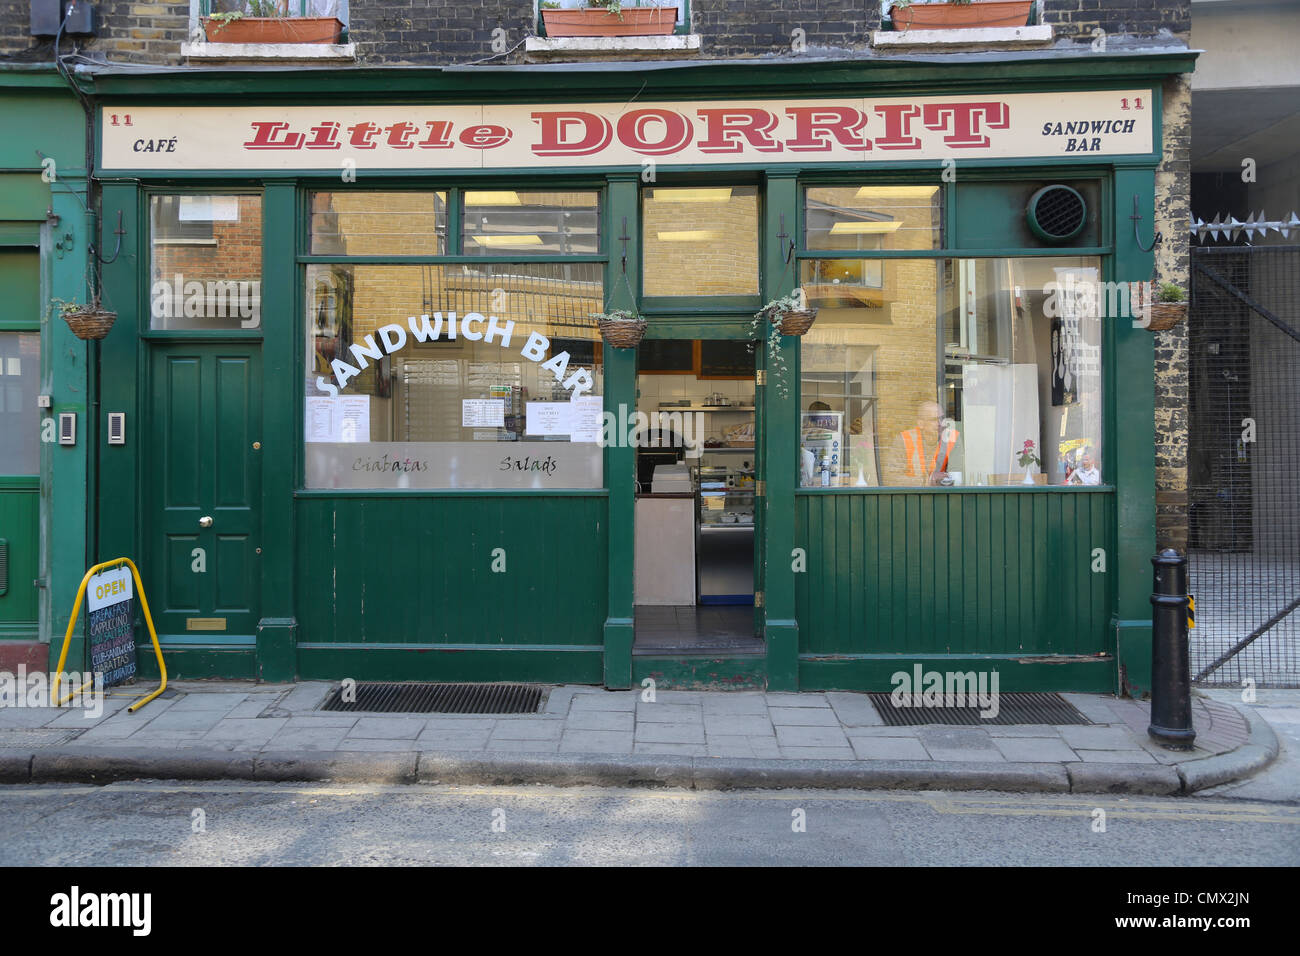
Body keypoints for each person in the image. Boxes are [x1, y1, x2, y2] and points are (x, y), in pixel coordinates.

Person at [893, 400, 960, 486]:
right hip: (910, 496)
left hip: (941, 496)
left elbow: (957, 477)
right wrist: (928, 480)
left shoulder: (952, 438)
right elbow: (893, 479)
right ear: (921, 423)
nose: (940, 423)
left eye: (942, 418)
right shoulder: (903, 440)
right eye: (934, 419)